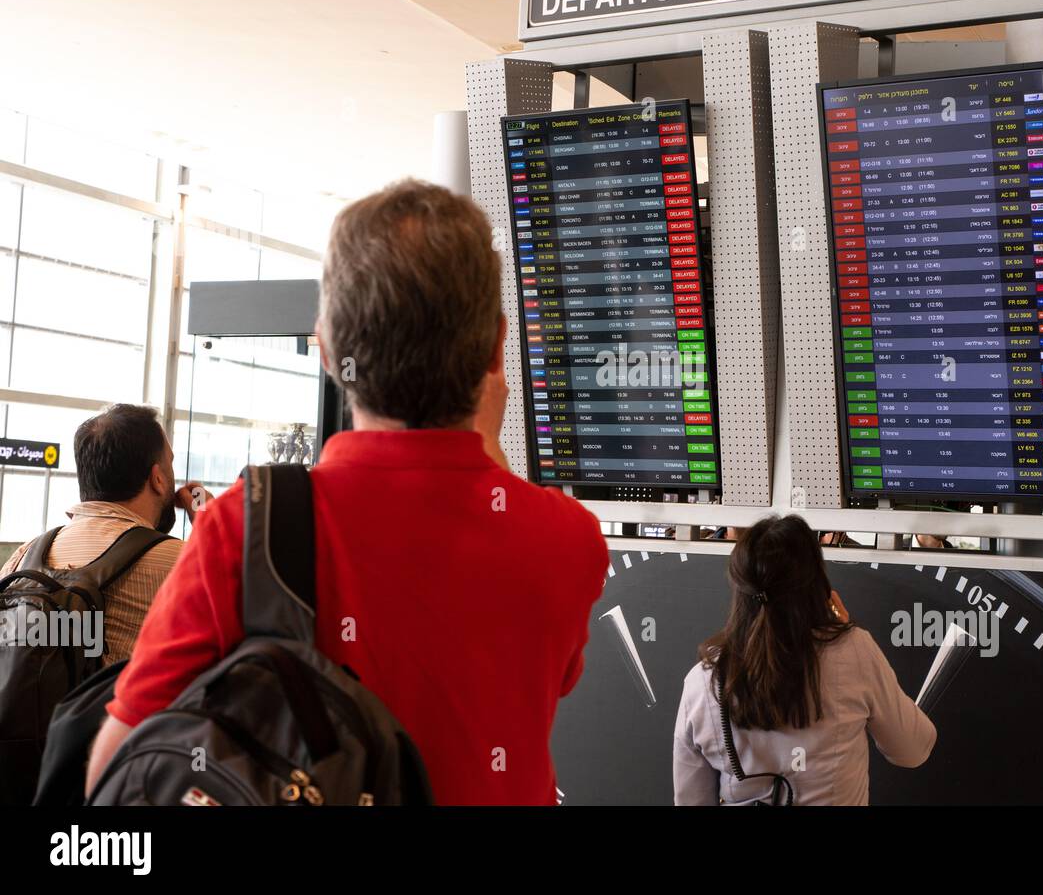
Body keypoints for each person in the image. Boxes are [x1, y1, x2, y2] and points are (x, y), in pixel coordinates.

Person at [86, 179, 609, 805]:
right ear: (498, 348)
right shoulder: (568, 538)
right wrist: (489, 457)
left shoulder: (244, 528)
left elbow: (117, 768)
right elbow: (547, 680)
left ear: (328, 350)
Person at [673, 514, 936, 805]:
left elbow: (690, 798)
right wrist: (842, 629)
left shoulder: (704, 679)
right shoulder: (855, 651)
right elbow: (913, 750)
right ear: (816, 586)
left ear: (740, 588)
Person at [0, 403, 205, 664]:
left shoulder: (23, 557)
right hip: (119, 706)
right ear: (158, 479)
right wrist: (206, 517)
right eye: (170, 464)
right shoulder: (179, 562)